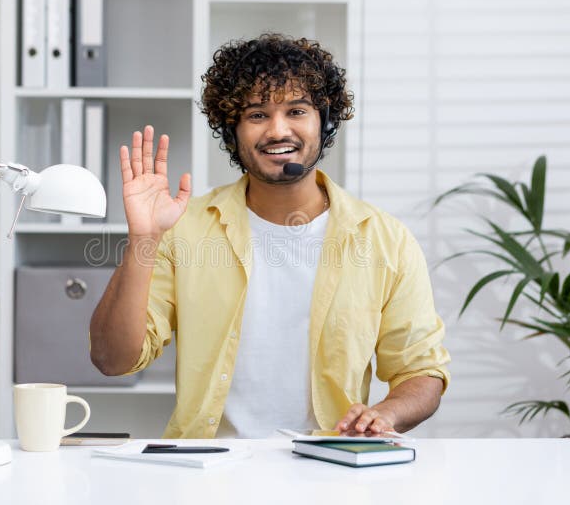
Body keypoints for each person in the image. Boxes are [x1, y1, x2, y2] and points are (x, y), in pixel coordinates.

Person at [90, 33, 450, 439]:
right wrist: (143, 240)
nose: (278, 131)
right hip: (208, 475)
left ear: (325, 120)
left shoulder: (387, 240)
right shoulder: (183, 229)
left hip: (330, 472)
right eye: (257, 115)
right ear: (232, 131)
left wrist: (386, 414)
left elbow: (421, 372)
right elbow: (112, 359)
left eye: (296, 110)